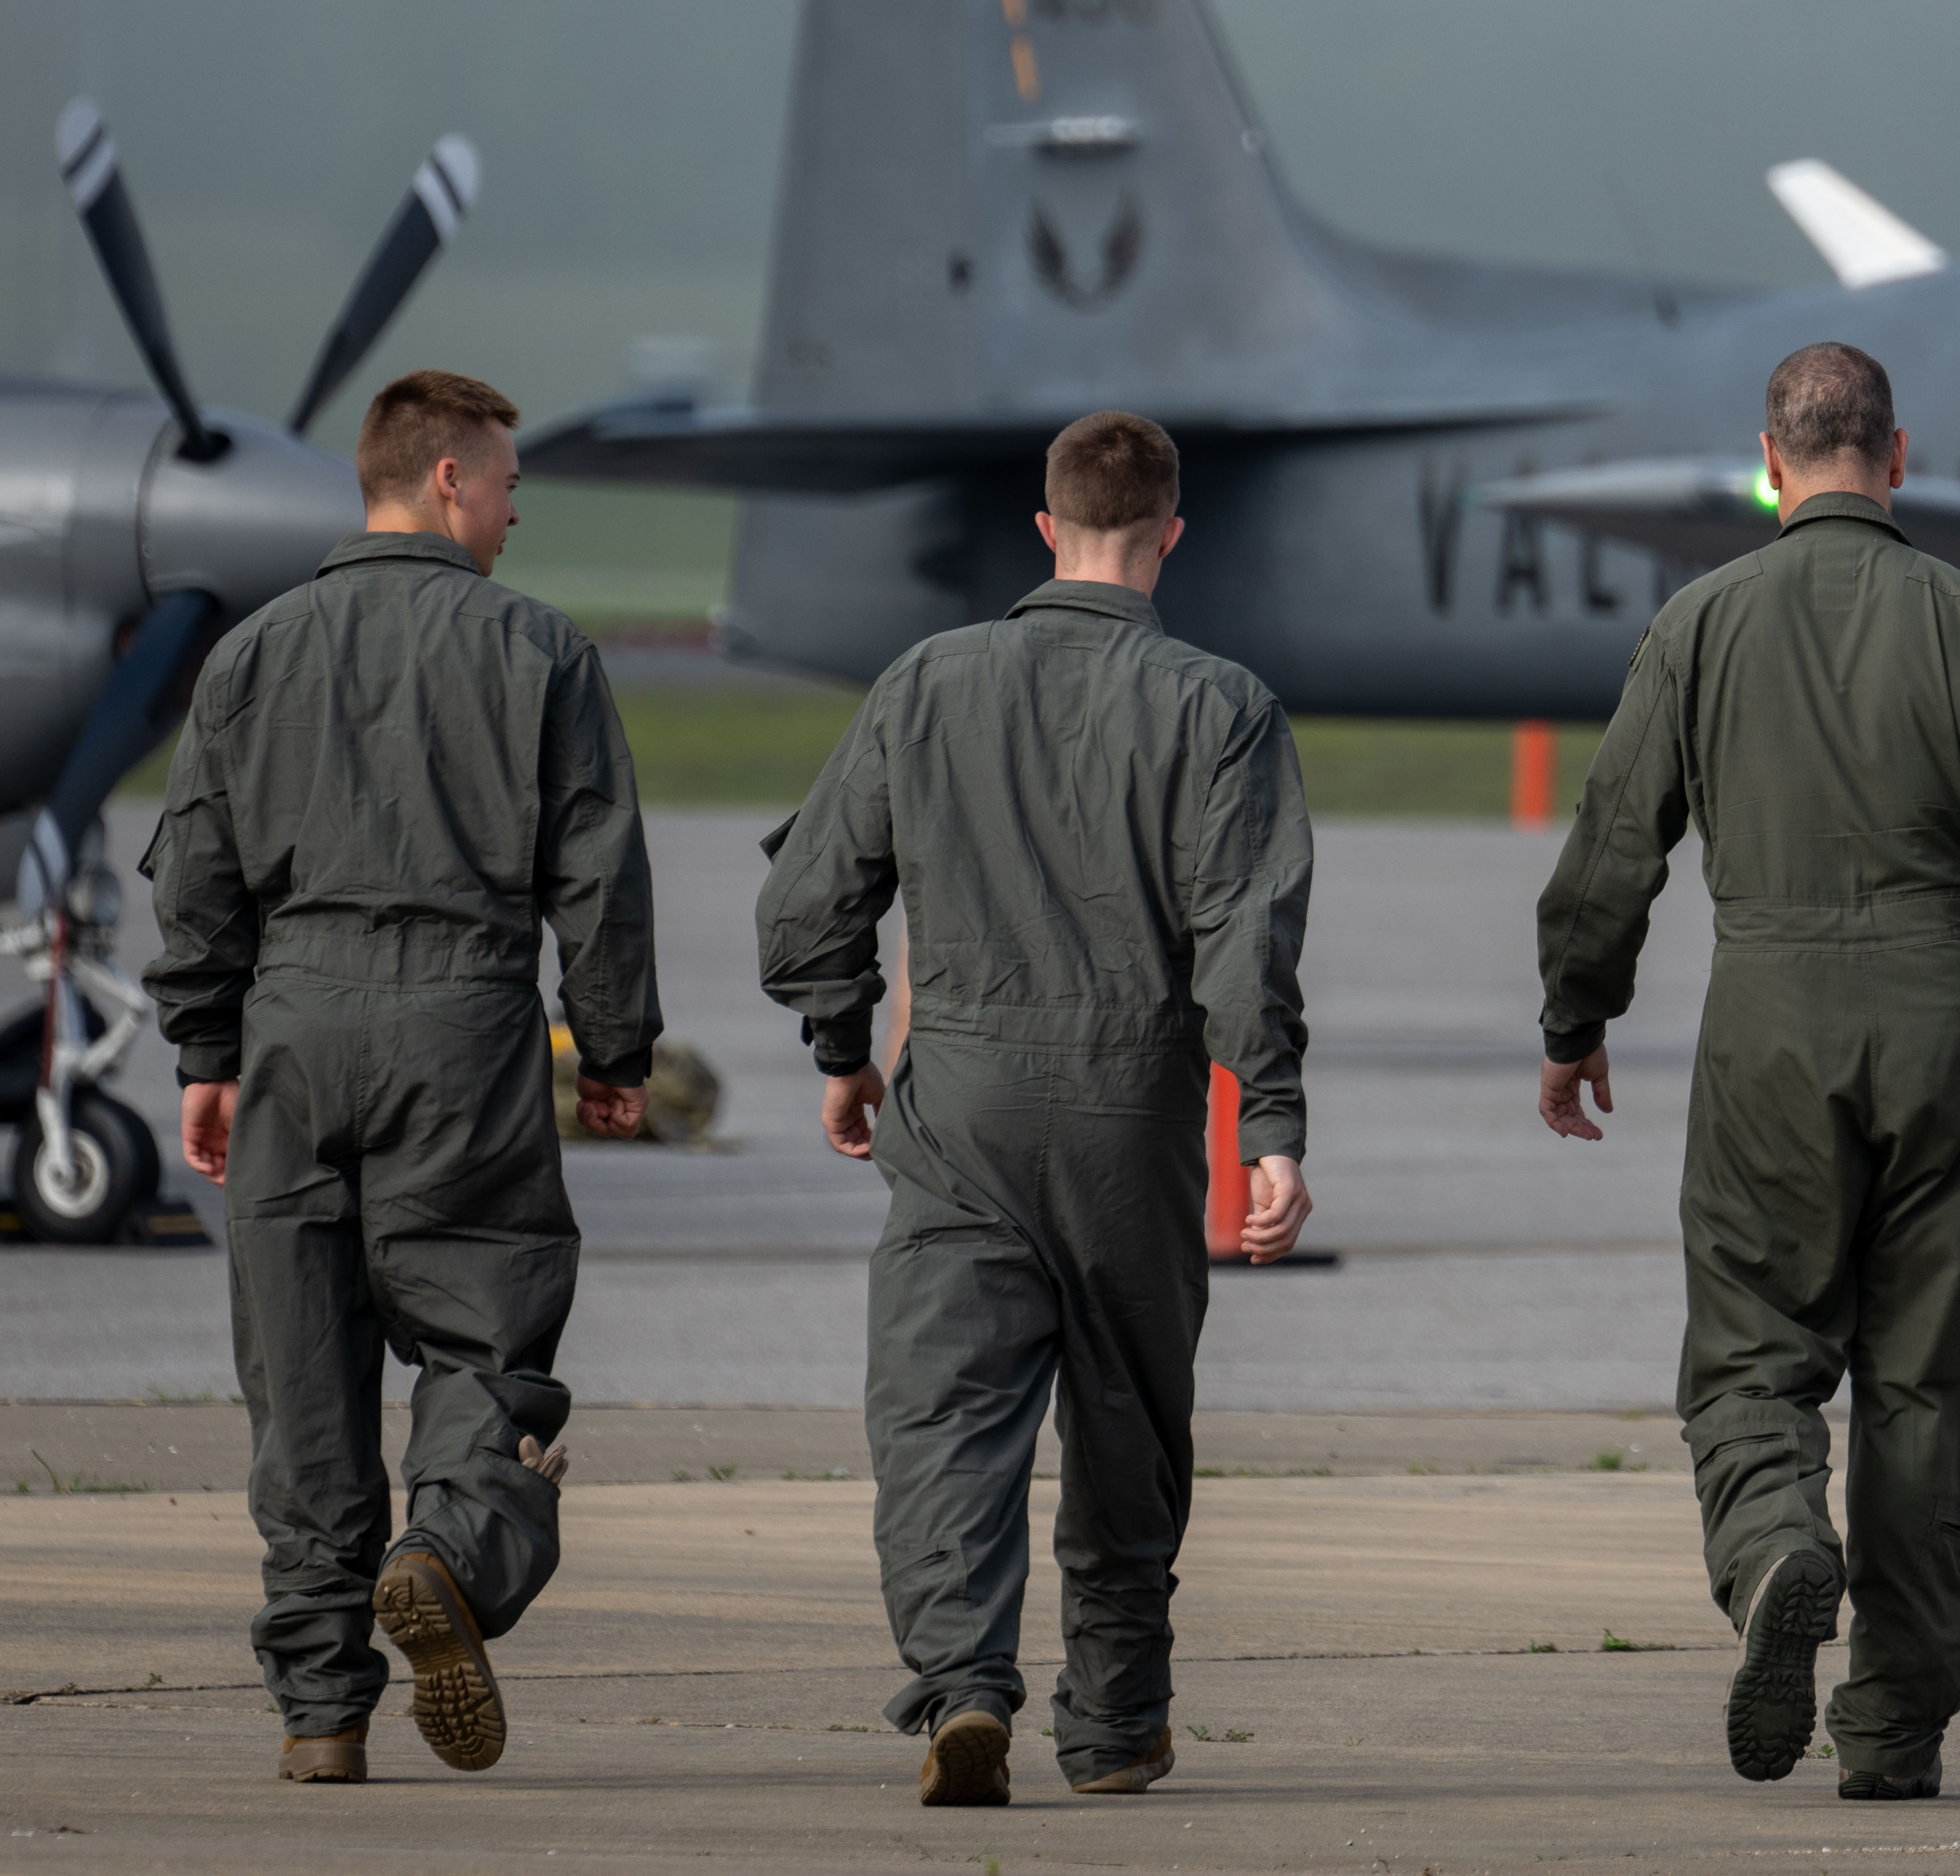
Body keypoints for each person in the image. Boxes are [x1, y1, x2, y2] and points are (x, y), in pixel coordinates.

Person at [1536, 341, 1960, 1803]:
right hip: (1939, 1019)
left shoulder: (1701, 621)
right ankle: (1894, 1728)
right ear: (1898, 456)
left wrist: (1575, 1016)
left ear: (1771, 463)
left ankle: (1773, 1547)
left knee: (1753, 1341)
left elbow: (1614, 844)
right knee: (1921, 1384)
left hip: (1769, 1017)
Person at [757, 410, 1315, 1810]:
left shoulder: (926, 682)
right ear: (1173, 536)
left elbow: (807, 902)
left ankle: (961, 1686)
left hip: (958, 1104)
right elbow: (1247, 942)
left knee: (943, 1416)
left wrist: (844, 1049)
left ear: (1043, 527)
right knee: (1128, 1425)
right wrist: (1272, 1133)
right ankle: (1118, 1723)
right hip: (1136, 1111)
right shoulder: (1224, 705)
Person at [144, 368, 662, 1786]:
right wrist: (614, 1051)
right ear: (445, 480)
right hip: (465, 1024)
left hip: (293, 1033)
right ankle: (447, 1550)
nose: (511, 513)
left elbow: (195, 875)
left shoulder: (250, 655)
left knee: (303, 1382)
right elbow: (598, 877)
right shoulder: (542, 653)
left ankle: (322, 1711)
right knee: (483, 1335)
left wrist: (207, 1050)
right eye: (503, 485)